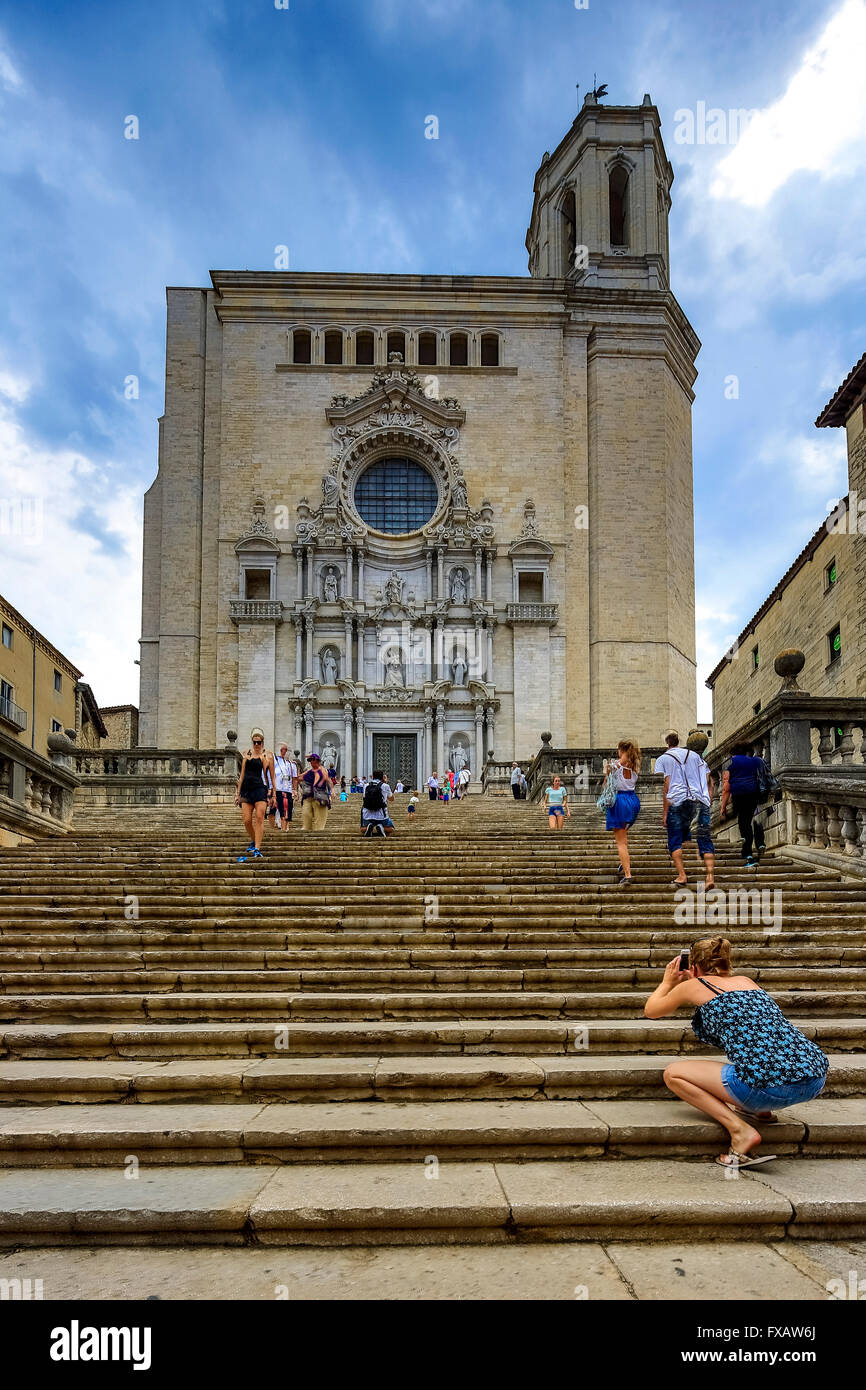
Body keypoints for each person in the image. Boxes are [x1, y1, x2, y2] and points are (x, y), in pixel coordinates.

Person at [645, 936, 828, 1169]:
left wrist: (667, 981)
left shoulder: (693, 985)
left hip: (769, 1088)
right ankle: (760, 1112)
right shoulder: (748, 982)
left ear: (692, 965)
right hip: (815, 1077)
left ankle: (740, 1131)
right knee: (762, 1051)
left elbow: (651, 1010)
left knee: (673, 1074)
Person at [656, 731, 716, 889]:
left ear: (667, 744)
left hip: (677, 801)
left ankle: (682, 875)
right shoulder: (695, 756)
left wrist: (664, 813)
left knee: (674, 839)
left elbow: (667, 785)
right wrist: (707, 798)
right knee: (705, 838)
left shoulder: (665, 758)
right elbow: (709, 779)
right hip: (699, 801)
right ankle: (710, 877)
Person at [719, 742, 768, 868]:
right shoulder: (754, 761)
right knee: (754, 818)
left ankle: (748, 855)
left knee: (744, 823)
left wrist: (723, 808)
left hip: (739, 796)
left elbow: (726, 789)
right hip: (754, 794)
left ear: (733, 754)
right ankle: (760, 842)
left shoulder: (731, 765)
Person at [602, 740, 642, 887]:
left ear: (621, 749)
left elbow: (606, 778)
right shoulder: (635, 764)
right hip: (633, 801)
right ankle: (624, 863)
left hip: (620, 801)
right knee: (623, 837)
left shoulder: (617, 764)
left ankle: (627, 874)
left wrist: (610, 769)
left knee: (621, 842)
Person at [235, 728, 276, 861]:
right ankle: (254, 841)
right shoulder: (246, 754)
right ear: (252, 742)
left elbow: (272, 777)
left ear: (263, 742)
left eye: (259, 742)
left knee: (259, 817)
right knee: (246, 820)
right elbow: (241, 776)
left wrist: (273, 794)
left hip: (260, 788)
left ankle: (257, 848)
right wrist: (237, 793)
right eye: (255, 742)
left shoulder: (268, 755)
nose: (257, 745)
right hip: (246, 789)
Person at [299, 751, 331, 831]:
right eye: (310, 760)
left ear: (317, 761)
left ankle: (318, 832)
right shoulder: (309, 772)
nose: (311, 762)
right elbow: (298, 778)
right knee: (306, 813)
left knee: (320, 818)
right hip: (308, 796)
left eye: (312, 760)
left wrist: (332, 792)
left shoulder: (323, 770)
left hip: (319, 797)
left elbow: (328, 780)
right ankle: (307, 828)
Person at [272, 743, 298, 832]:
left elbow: (295, 778)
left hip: (288, 789)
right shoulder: (274, 761)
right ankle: (281, 826)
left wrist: (295, 790)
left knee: (289, 807)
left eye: (286, 750)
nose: (284, 752)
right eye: (282, 749)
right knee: (280, 808)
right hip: (278, 788)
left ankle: (287, 826)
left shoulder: (292, 764)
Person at [361, 769, 394, 837]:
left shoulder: (366, 785)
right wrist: (385, 782)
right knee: (391, 828)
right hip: (381, 814)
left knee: (362, 829)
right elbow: (391, 798)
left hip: (367, 813)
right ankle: (381, 827)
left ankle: (368, 827)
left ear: (372, 777)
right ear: (382, 777)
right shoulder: (385, 786)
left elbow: (364, 797)